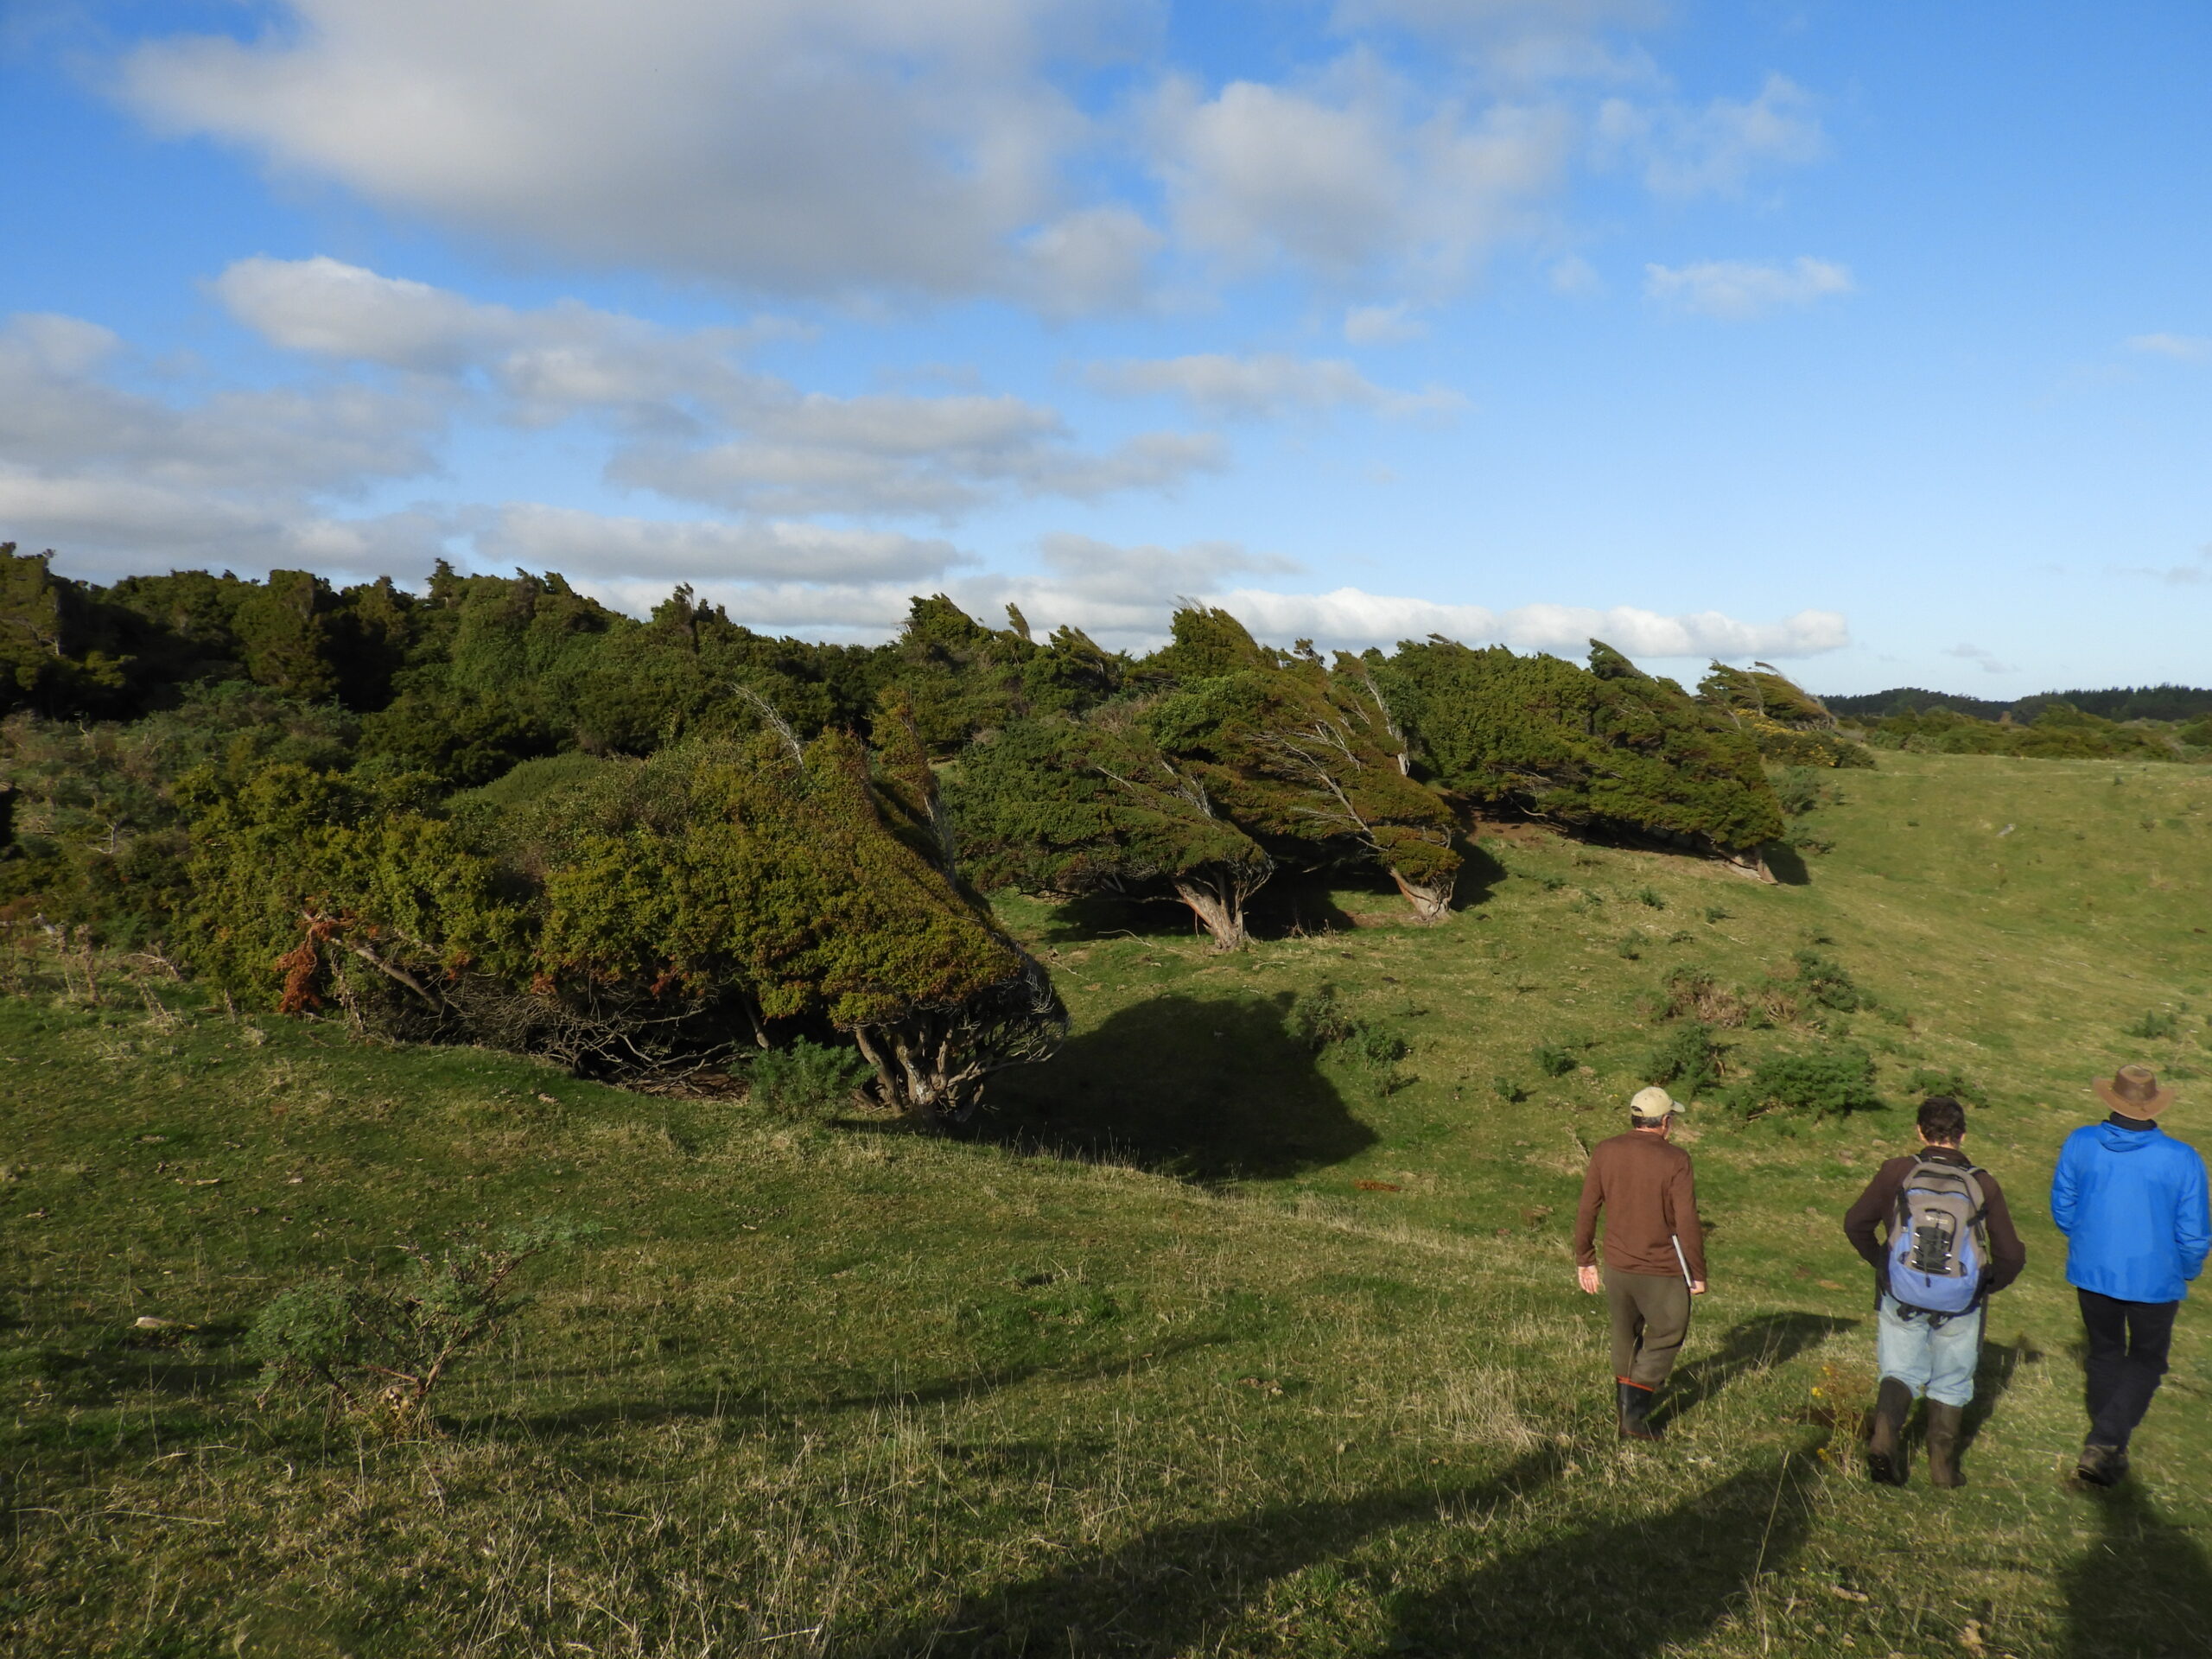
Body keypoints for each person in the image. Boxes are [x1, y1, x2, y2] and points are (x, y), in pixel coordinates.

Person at [1842, 1096, 2025, 1488]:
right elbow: (2011, 1254)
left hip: (1901, 1292)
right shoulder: (1982, 1183)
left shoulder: (1897, 1171)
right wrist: (1985, 1285)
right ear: (1962, 1136)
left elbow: (1855, 1223)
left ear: (1919, 1131)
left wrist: (1884, 1265)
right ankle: (1943, 1470)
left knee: (1899, 1371)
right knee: (1953, 1380)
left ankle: (1883, 1445)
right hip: (1961, 1299)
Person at [2051, 1064, 2209, 1487]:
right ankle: (2104, 1443)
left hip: (2092, 1271)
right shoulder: (2182, 1159)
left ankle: (2106, 1449)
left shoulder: (2080, 1142)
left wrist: (2086, 1239)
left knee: (2104, 1354)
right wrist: (2187, 1270)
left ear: (2111, 1099)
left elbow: (2063, 1205)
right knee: (2147, 1360)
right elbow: (2193, 1233)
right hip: (2155, 1281)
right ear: (2154, 1105)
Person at [1574, 1084, 1706, 1441]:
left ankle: (1626, 1415)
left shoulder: (1605, 1150)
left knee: (1624, 1333)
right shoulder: (1676, 1160)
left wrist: (1585, 1259)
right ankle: (1635, 1413)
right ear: (1664, 1122)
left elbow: (1588, 1207)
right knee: (1668, 1332)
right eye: (1672, 1119)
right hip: (1661, 1268)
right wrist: (1696, 1271)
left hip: (1617, 1266)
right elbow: (1688, 1220)